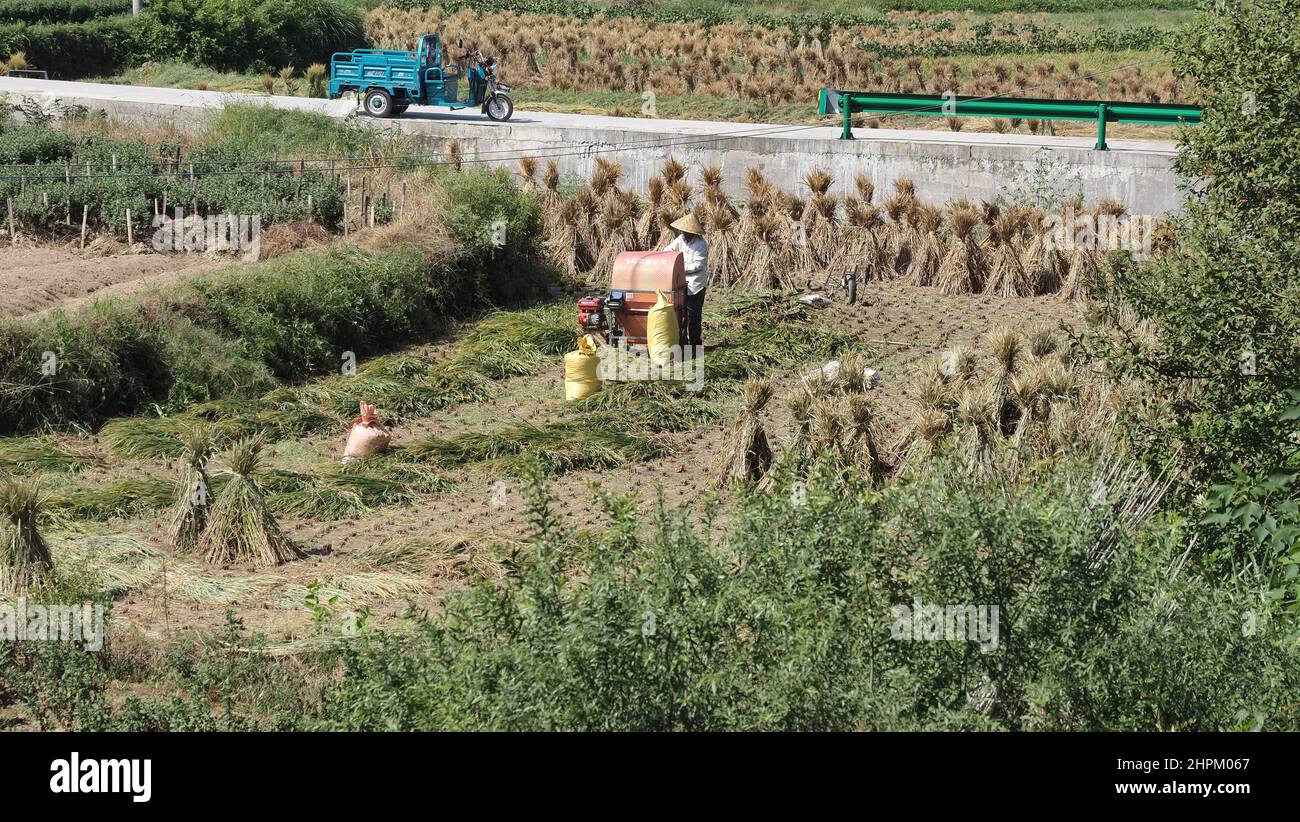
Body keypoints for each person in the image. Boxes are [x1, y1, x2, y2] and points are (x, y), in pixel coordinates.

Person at [663, 212, 709, 354]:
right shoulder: (681, 239)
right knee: (681, 314)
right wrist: (669, 259)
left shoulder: (701, 244)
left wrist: (680, 268)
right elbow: (668, 250)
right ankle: (682, 343)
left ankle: (695, 345)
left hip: (696, 285)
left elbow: (699, 265)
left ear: (692, 232)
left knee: (693, 316)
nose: (683, 233)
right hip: (681, 284)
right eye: (682, 231)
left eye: (686, 231)